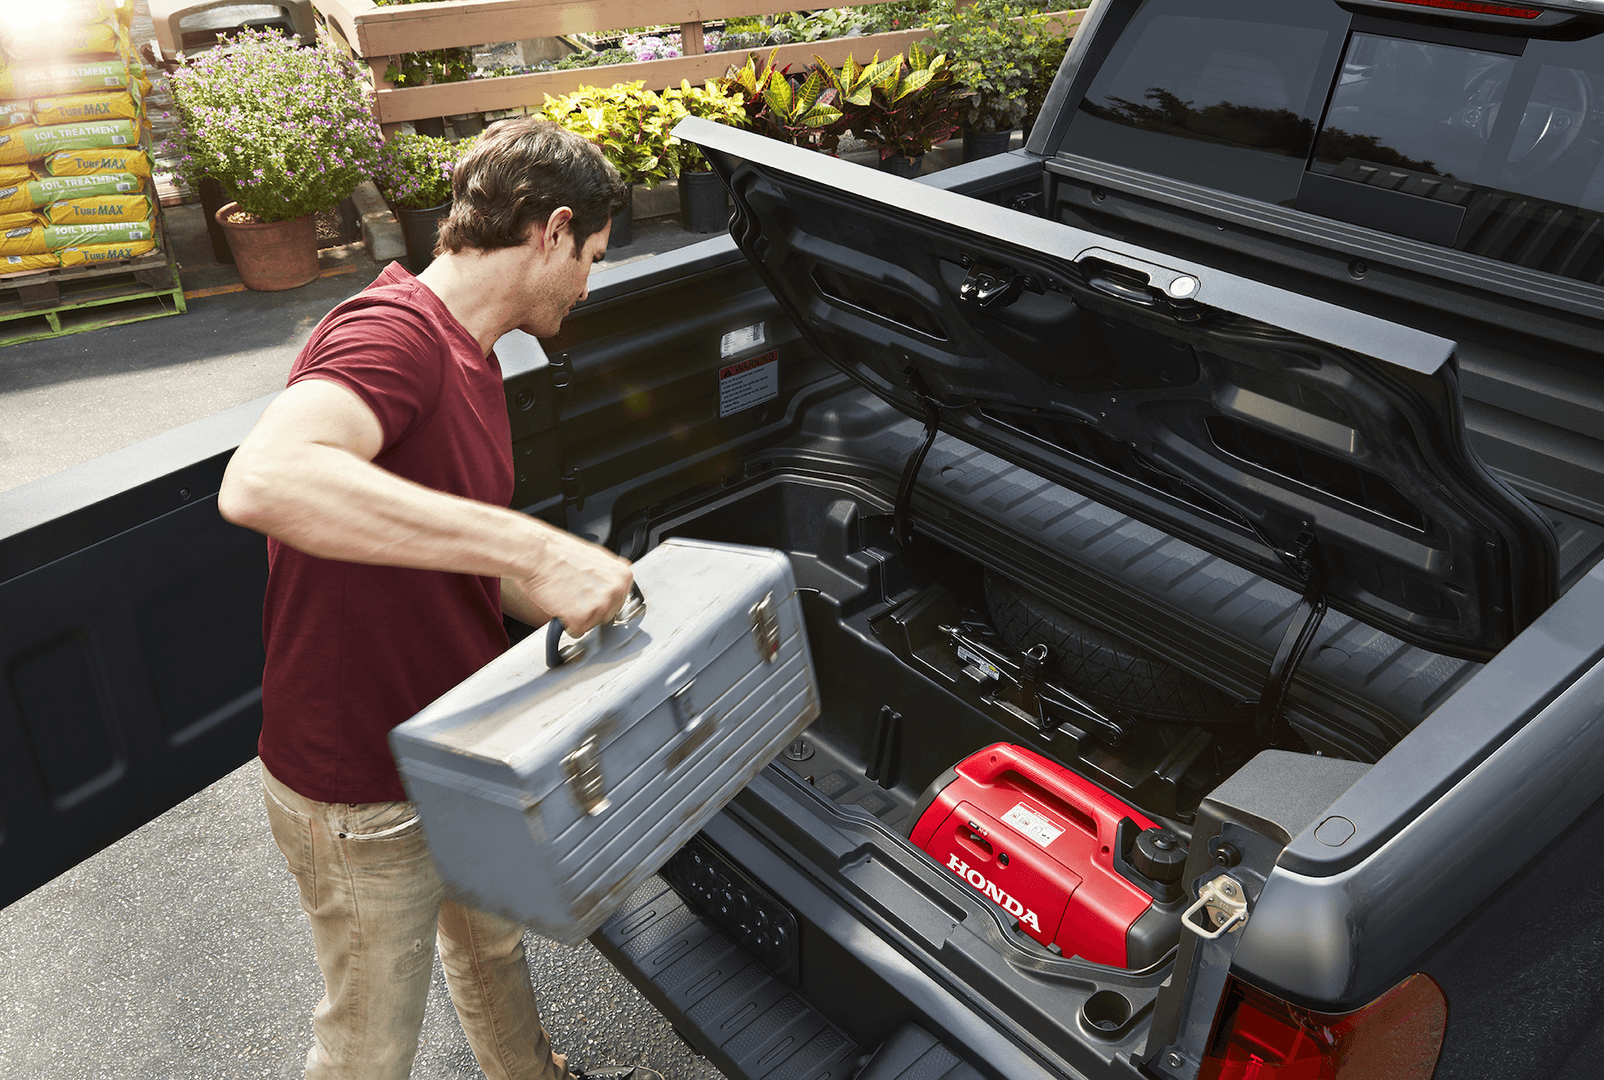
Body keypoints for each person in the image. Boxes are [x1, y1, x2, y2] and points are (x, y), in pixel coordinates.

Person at [218, 118, 657, 1080]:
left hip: (454, 747)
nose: (590, 283)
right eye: (591, 257)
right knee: (367, 1047)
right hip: (359, 784)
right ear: (551, 229)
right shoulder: (392, 336)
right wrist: (532, 545)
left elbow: (443, 543)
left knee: (490, 947)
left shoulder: (479, 351)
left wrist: (574, 594)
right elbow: (265, 481)